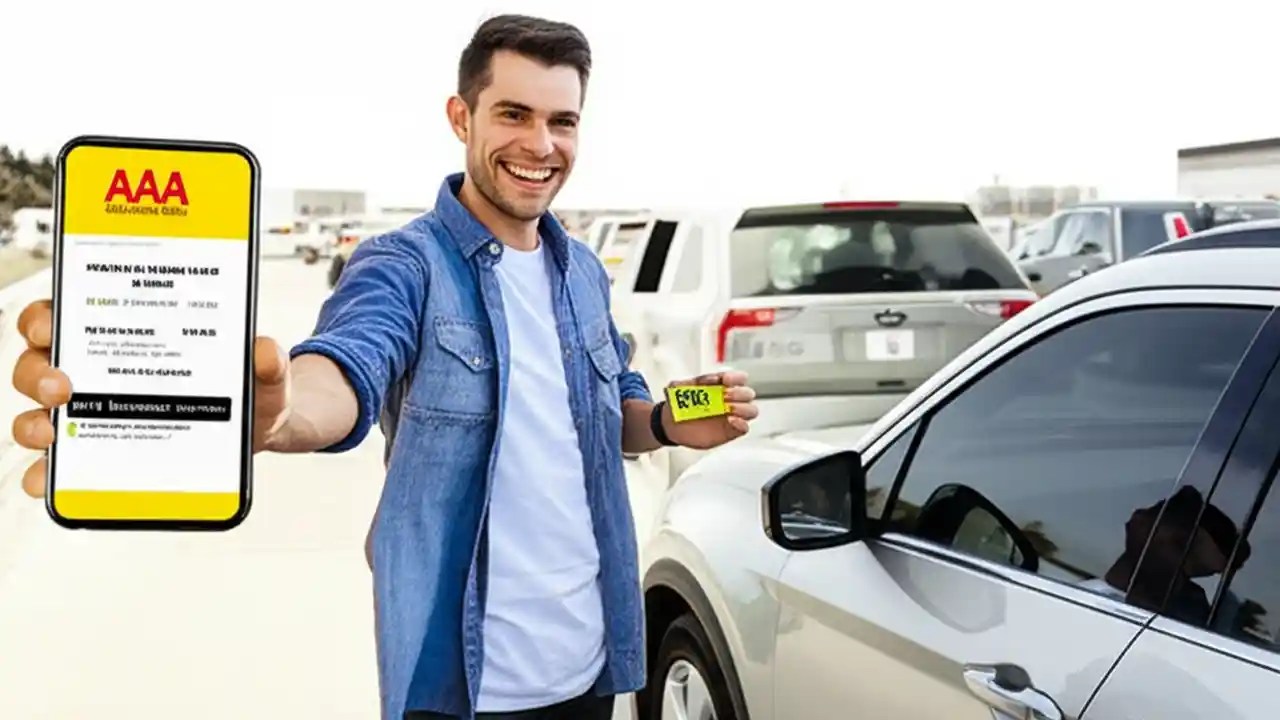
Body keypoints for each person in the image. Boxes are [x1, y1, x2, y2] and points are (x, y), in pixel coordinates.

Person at [8, 13, 760, 720]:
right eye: (513, 114)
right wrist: (273, 414)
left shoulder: (584, 272)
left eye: (562, 121)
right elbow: (344, 367)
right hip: (463, 682)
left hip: (594, 663)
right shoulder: (405, 265)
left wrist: (671, 419)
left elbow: (611, 410)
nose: (541, 143)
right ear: (461, 118)